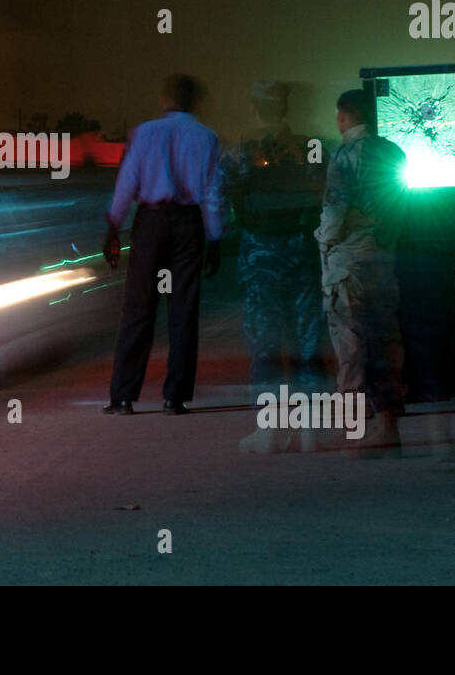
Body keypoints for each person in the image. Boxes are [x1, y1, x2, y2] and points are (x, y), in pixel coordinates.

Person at [101, 74, 223, 415]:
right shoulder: (208, 137)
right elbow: (213, 193)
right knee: (183, 311)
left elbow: (128, 182)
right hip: (188, 224)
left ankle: (123, 397)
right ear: (194, 101)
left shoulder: (145, 133)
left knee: (138, 308)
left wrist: (113, 226)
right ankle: (175, 398)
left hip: (151, 222)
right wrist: (214, 238)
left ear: (163, 98)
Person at [223, 81, 328, 453]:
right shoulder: (310, 147)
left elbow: (221, 199)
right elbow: (327, 192)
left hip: (260, 256)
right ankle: (313, 432)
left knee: (266, 341)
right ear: (285, 108)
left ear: (256, 106)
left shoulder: (239, 153)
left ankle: (271, 431)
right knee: (309, 339)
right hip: (303, 253)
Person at [314, 88, 408, 450]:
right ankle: (388, 415)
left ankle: (356, 422)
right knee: (384, 336)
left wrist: (324, 237)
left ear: (343, 116)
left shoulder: (344, 155)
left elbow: (335, 211)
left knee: (350, 338)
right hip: (384, 256)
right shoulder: (393, 151)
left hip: (348, 261)